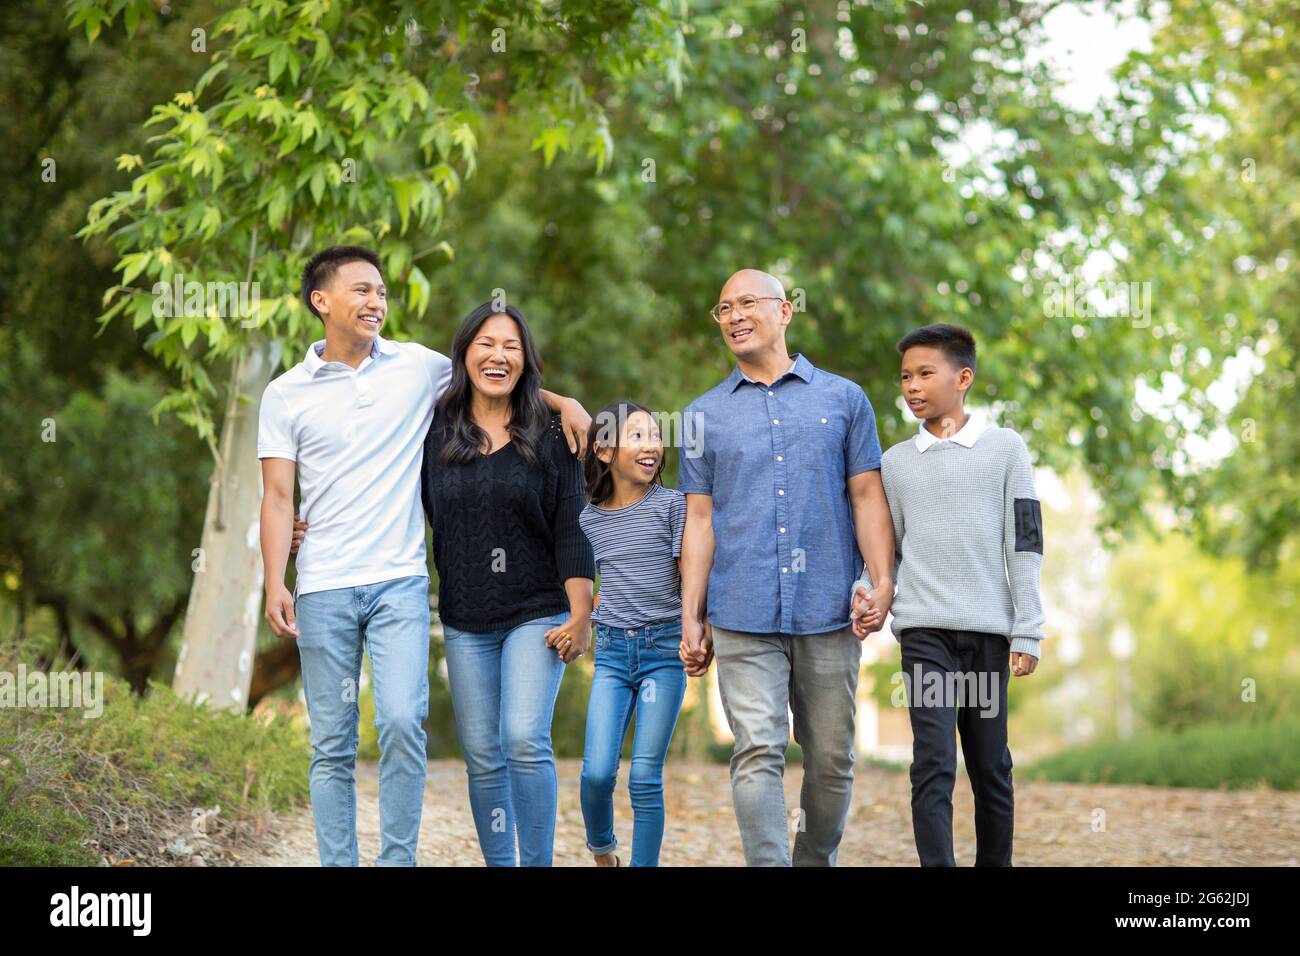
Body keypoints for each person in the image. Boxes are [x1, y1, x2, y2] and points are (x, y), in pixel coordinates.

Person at [260, 246, 590, 866]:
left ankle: (398, 862)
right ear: (320, 301)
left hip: (401, 582)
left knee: (403, 727)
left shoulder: (416, 367)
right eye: (361, 290)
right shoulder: (285, 394)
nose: (376, 302)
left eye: (381, 292)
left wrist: (566, 404)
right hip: (324, 582)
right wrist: (275, 577)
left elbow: (500, 379)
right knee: (331, 744)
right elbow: (277, 497)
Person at [677, 269, 895, 866]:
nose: (733, 316)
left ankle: (812, 858)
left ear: (785, 310)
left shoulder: (844, 399)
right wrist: (690, 616)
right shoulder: (701, 416)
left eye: (747, 303)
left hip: (828, 607)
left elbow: (867, 497)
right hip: (740, 609)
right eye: (722, 308)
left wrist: (882, 582)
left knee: (830, 756)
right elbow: (699, 521)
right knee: (757, 749)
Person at [850, 322, 1045, 866]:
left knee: (989, 765)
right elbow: (885, 548)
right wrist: (867, 591)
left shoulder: (1005, 450)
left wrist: (1028, 627)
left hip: (987, 634)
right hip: (926, 634)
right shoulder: (895, 463)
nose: (911, 386)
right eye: (905, 376)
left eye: (924, 374)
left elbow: (1025, 540)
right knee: (933, 761)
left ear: (963, 378)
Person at [419, 301, 595, 867]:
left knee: (522, 739)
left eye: (511, 347)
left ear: (526, 361)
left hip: (537, 609)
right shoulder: (433, 426)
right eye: (486, 344)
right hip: (464, 614)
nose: (497, 356)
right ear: (464, 352)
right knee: (482, 756)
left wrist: (581, 613)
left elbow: (573, 527)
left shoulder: (553, 434)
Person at [577, 402, 687, 867]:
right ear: (604, 451)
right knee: (597, 773)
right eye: (637, 435)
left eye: (655, 436)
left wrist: (700, 627)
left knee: (644, 776)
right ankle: (602, 849)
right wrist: (586, 608)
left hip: (664, 651)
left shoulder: (674, 506)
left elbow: (692, 575)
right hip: (613, 655)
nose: (652, 445)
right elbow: (587, 579)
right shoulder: (587, 519)